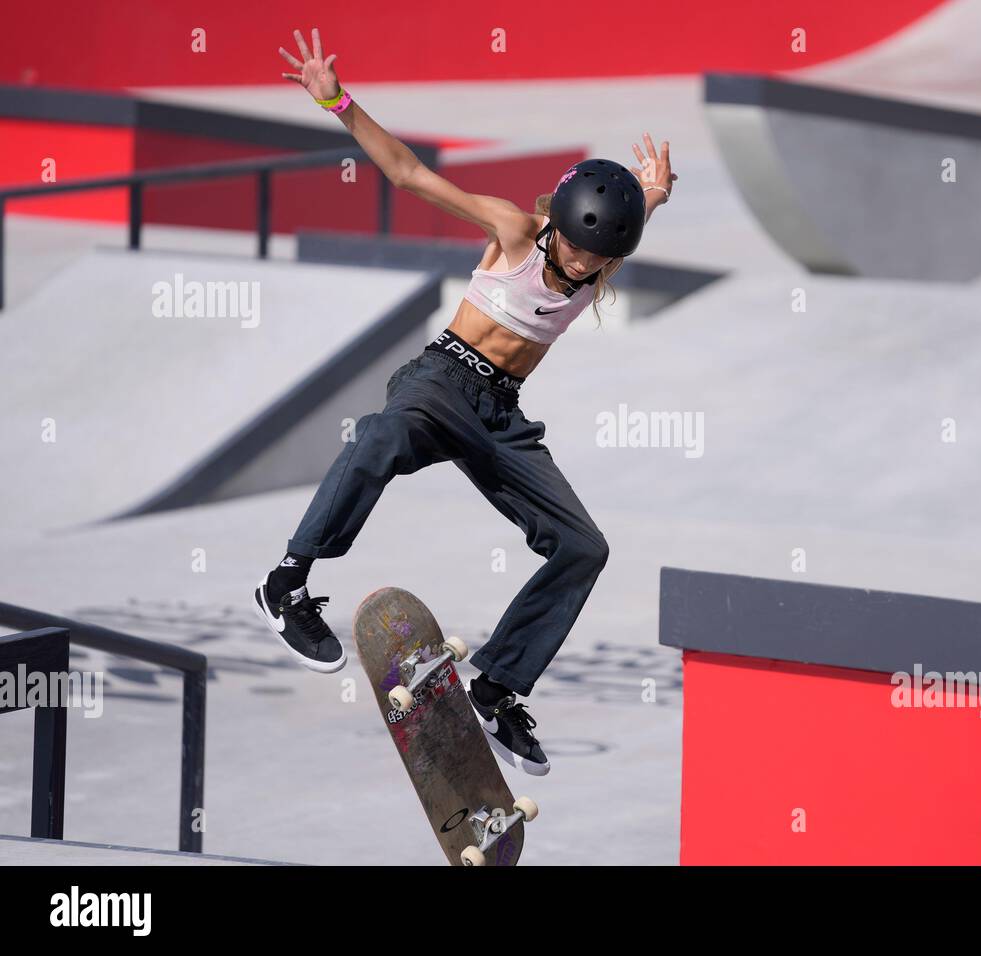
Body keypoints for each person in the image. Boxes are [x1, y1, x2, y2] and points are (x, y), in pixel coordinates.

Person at [254, 28, 675, 776]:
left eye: (598, 263)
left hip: (501, 414)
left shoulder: (604, 249)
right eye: (574, 257)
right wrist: (337, 101)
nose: (581, 272)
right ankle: (287, 582)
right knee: (382, 436)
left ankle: (500, 686)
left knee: (584, 547)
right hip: (440, 379)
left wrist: (653, 194)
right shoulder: (516, 232)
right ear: (558, 234)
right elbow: (412, 175)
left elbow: (623, 215)